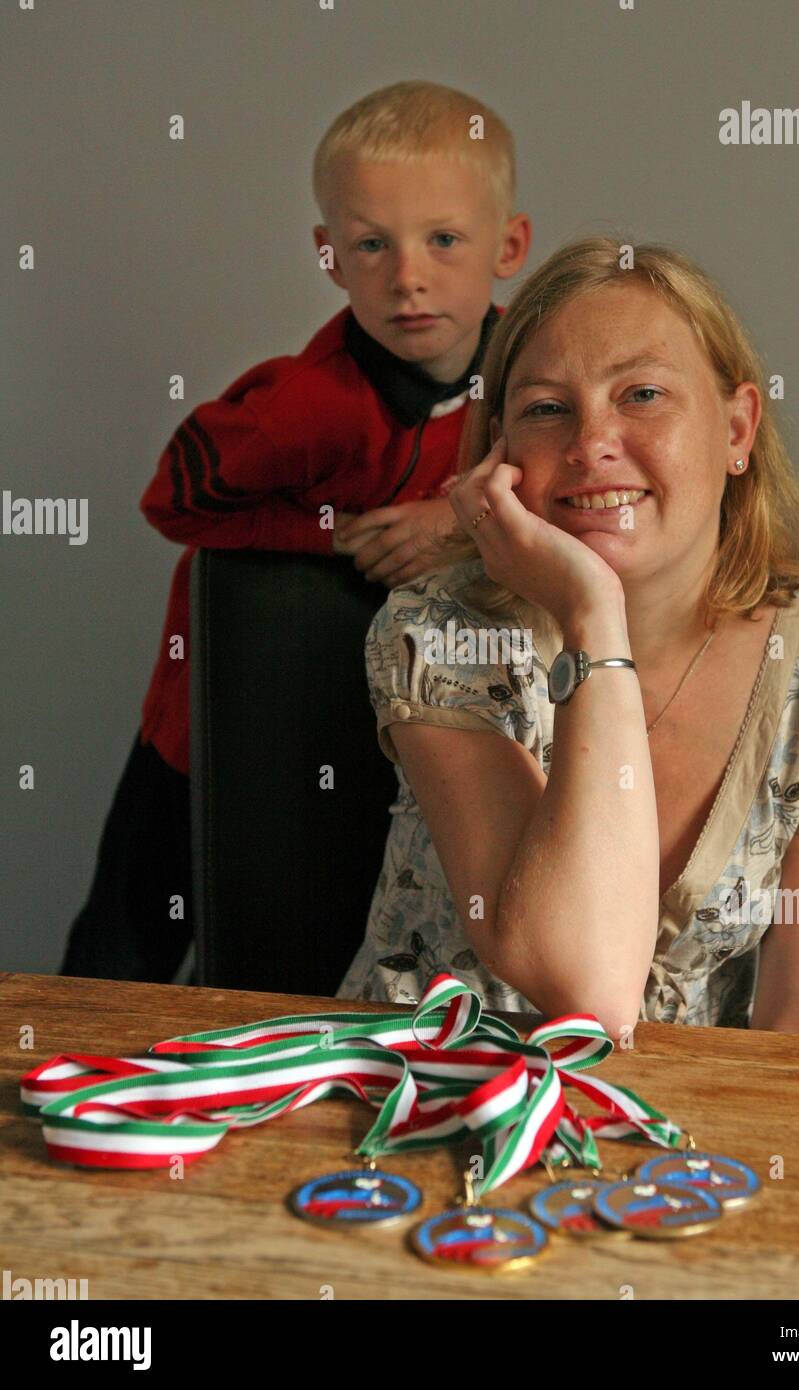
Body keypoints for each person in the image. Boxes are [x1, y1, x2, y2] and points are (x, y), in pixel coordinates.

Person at [337, 235, 799, 1039]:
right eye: (545, 409)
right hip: (430, 1114)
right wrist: (591, 613)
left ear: (737, 429)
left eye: (641, 394)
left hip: (692, 1153)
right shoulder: (438, 635)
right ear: (499, 450)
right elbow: (582, 983)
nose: (589, 443)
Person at [59, 79, 531, 983]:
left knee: (343, 940)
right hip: (220, 721)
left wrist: (456, 523)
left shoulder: (532, 388)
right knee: (130, 941)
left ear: (508, 245)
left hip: (418, 728)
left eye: (443, 239)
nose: (409, 277)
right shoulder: (299, 404)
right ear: (328, 257)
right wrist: (335, 531)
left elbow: (567, 502)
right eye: (370, 245)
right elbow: (173, 500)